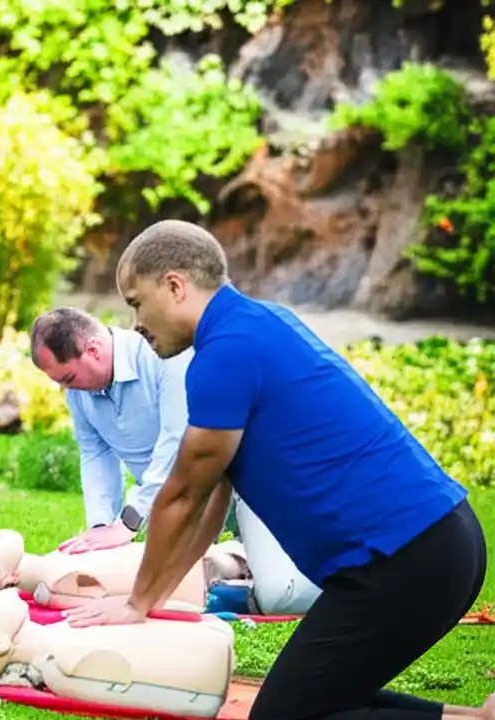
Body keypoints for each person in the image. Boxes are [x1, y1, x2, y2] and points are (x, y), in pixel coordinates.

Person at [66, 220, 490, 720]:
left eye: (136, 302)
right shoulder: (258, 323)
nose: (133, 321)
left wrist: (136, 602)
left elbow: (181, 495)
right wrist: (151, 596)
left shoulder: (225, 353)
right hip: (437, 545)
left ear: (175, 286)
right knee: (315, 698)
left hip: (406, 561)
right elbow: (210, 498)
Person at [29, 307, 322, 616]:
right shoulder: (80, 393)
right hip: (185, 504)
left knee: (282, 597)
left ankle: (355, 581)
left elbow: (179, 445)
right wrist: (100, 528)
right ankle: (231, 562)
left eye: (69, 378)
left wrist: (129, 521)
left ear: (93, 349)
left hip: (246, 486)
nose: (66, 389)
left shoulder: (162, 356)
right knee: (131, 582)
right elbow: (95, 454)